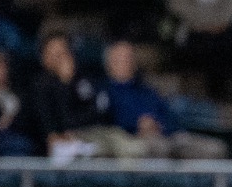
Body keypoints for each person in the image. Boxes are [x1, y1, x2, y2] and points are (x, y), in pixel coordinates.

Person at [29, 32, 153, 161]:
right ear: (44, 58)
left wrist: (70, 83)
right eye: (55, 54)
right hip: (68, 142)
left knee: (123, 142)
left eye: (63, 53)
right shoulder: (39, 86)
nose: (61, 59)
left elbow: (98, 111)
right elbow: (62, 122)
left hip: (95, 133)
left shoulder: (83, 79)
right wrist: (65, 85)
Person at [101, 40, 228, 159]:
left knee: (216, 148)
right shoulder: (103, 91)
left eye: (129, 58)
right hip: (134, 139)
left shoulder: (147, 90)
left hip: (167, 135)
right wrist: (137, 125)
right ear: (109, 63)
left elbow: (169, 116)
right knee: (159, 147)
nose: (126, 62)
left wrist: (158, 124)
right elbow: (105, 123)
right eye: (121, 59)